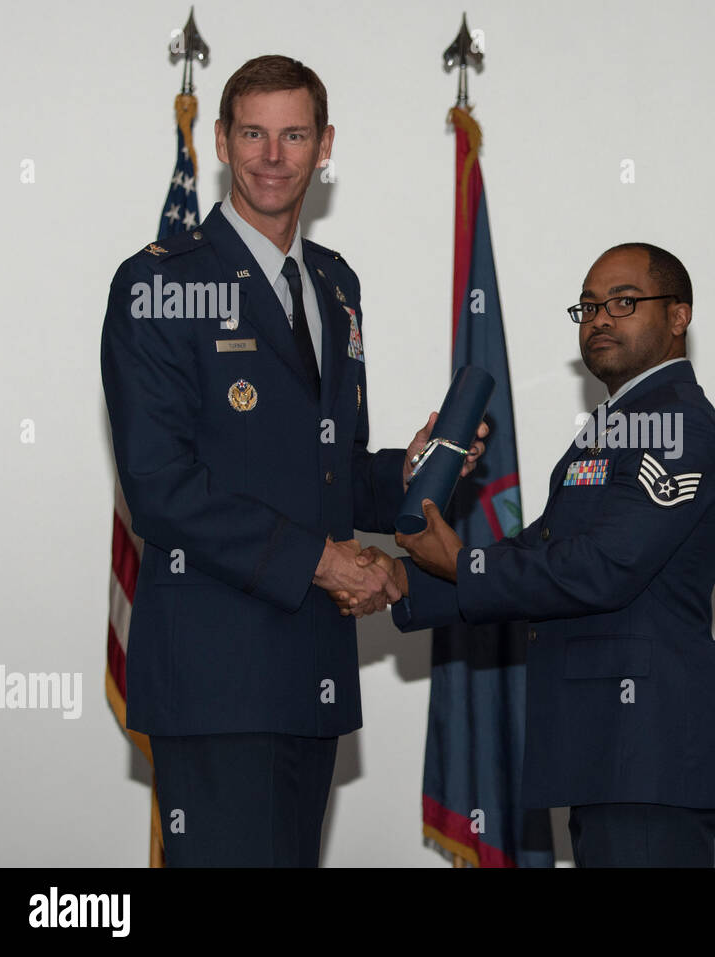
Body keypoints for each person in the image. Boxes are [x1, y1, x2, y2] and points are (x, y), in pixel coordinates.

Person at [100, 55, 484, 867]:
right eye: (254, 134)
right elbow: (161, 489)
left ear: (324, 145)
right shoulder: (158, 285)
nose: (273, 156)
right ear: (221, 140)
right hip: (216, 679)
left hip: (310, 670)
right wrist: (325, 564)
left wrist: (412, 472)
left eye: (294, 134)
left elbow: (333, 469)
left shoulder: (334, 284)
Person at [337, 244, 715, 867]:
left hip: (647, 753)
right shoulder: (615, 425)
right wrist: (406, 579)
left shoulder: (678, 425)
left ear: (679, 317)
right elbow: (543, 549)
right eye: (589, 306)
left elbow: (603, 569)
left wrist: (463, 564)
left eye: (623, 302)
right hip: (607, 752)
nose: (599, 319)